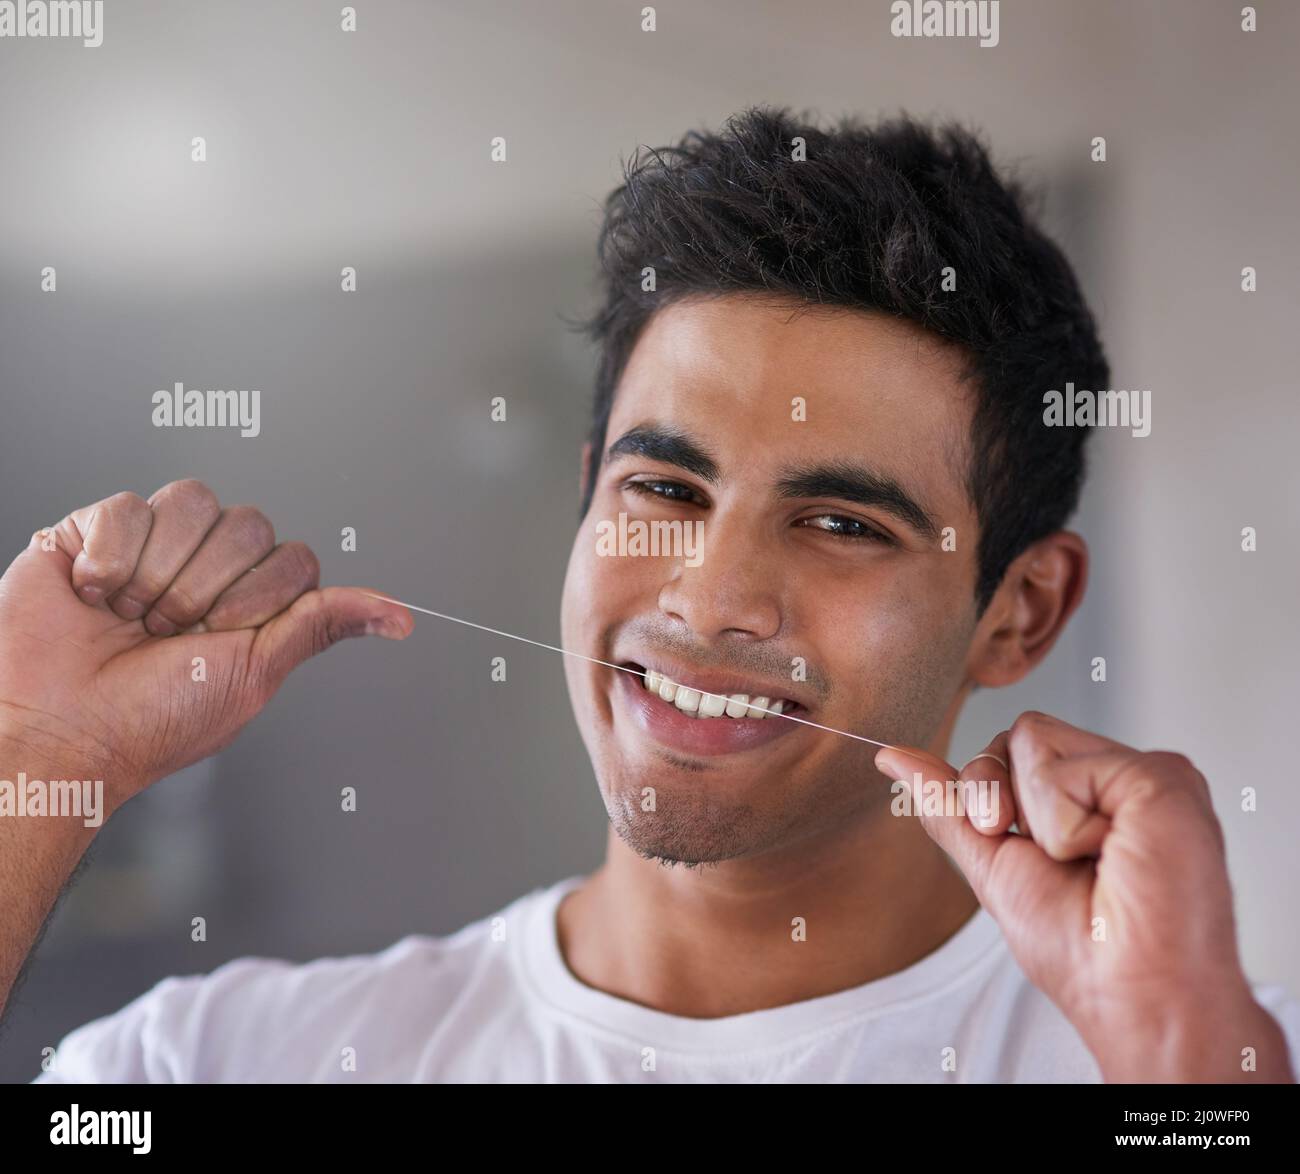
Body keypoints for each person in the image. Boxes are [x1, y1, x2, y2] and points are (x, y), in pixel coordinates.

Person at [7, 106, 1297, 1082]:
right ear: (585, 498)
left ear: (1020, 611)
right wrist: (34, 761)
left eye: (842, 522)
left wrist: (1183, 1065)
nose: (716, 596)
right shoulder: (208, 1066)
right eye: (665, 491)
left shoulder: (1188, 1064)